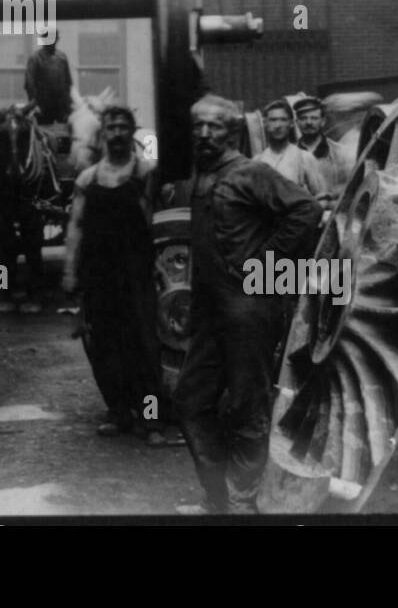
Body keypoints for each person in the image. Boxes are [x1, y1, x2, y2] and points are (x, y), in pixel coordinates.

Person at [174, 94, 322, 514]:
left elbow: (306, 211)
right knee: (189, 400)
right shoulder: (201, 176)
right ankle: (217, 497)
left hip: (248, 310)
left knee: (247, 406)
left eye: (214, 126)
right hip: (210, 313)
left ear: (233, 129)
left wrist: (265, 262)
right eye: (198, 126)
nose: (204, 134)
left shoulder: (252, 172)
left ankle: (241, 501)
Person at [61, 105, 169, 447]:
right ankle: (119, 412)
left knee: (146, 349)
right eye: (112, 127)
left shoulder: (146, 172)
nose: (118, 133)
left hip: (136, 275)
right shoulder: (87, 178)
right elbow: (75, 227)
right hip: (99, 277)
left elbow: (161, 221)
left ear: (133, 130)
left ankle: (151, 421)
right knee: (105, 348)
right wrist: (69, 272)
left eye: (124, 127)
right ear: (102, 133)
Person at [255, 98, 327, 202]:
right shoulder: (257, 161)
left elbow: (322, 198)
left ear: (291, 123)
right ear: (265, 123)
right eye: (273, 120)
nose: (278, 125)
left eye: (283, 120)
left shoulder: (304, 158)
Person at [293, 96, 352, 206]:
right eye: (303, 118)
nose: (309, 122)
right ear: (297, 122)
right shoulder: (289, 155)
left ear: (323, 121)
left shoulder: (340, 153)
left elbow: (349, 194)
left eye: (314, 118)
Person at [23, 30, 74, 125]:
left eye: (54, 38)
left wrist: (67, 106)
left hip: (61, 109)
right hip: (42, 108)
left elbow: (68, 83)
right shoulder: (35, 58)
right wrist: (34, 105)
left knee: (64, 136)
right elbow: (29, 84)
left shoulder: (62, 57)